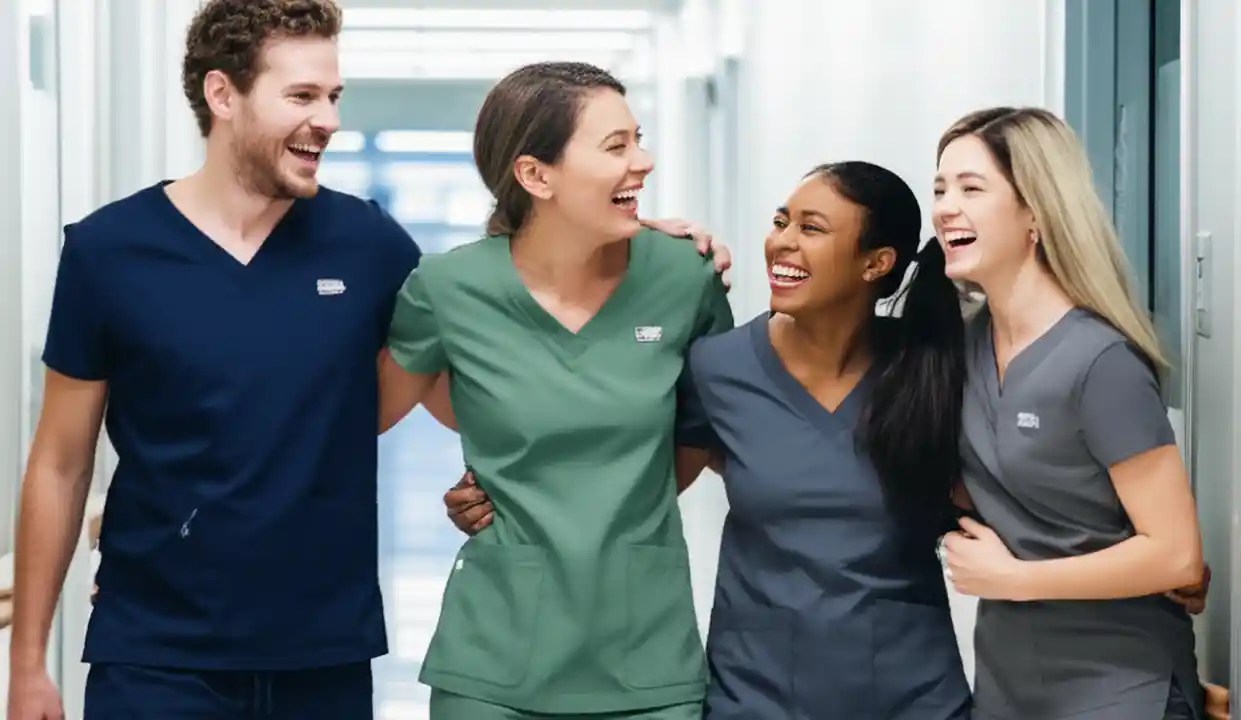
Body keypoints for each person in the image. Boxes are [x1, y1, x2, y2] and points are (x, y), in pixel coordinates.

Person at [5, 4, 728, 718]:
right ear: (222, 94)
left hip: (324, 652)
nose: (328, 119)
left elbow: (483, 367)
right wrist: (28, 663)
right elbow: (59, 464)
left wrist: (619, 230)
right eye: (302, 96)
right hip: (155, 650)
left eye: (333, 96)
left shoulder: (368, 246)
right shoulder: (109, 252)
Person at [446, 161, 975, 720]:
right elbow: (625, 495)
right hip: (759, 699)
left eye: (811, 228)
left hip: (914, 698)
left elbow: (1003, 494)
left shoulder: (931, 371)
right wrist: (503, 495)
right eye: (781, 222)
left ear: (876, 262)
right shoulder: (719, 368)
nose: (782, 242)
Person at [377, 62, 734, 719]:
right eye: (616, 146)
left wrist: (605, 503)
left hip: (647, 657)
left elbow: (707, 436)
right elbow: (360, 418)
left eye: (638, 139)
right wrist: (508, 480)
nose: (644, 161)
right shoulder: (449, 290)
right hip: (494, 660)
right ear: (536, 176)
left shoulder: (686, 277)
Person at [933, 107, 1206, 720]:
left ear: (1035, 212)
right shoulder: (963, 349)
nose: (947, 207)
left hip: (1120, 686)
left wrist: (1014, 579)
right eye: (941, 189)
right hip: (1009, 684)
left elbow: (1177, 556)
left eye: (972, 189)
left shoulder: (1100, 361)